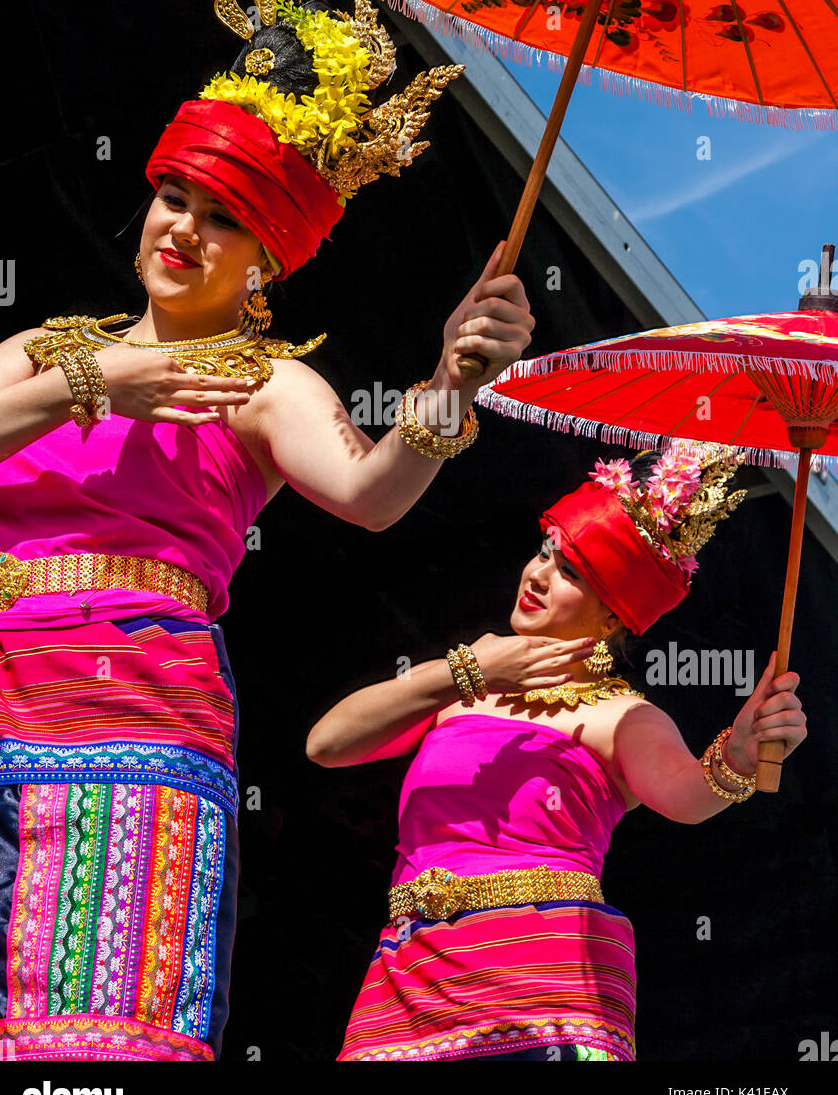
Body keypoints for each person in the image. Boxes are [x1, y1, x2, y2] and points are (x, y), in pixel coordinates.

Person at [0, 0, 534, 1062]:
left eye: (222, 215)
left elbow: (373, 495)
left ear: (269, 253)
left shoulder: (267, 381)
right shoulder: (41, 346)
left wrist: (444, 382)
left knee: (84, 1029)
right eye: (173, 196)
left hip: (128, 716)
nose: (182, 227)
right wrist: (99, 381)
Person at [307, 444, 807, 1062]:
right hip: (413, 968)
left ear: (610, 615)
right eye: (545, 552)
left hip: (544, 976)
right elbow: (327, 745)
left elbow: (686, 796)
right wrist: (467, 669)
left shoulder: (620, 715)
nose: (537, 575)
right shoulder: (459, 691)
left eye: (572, 572)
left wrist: (738, 750)